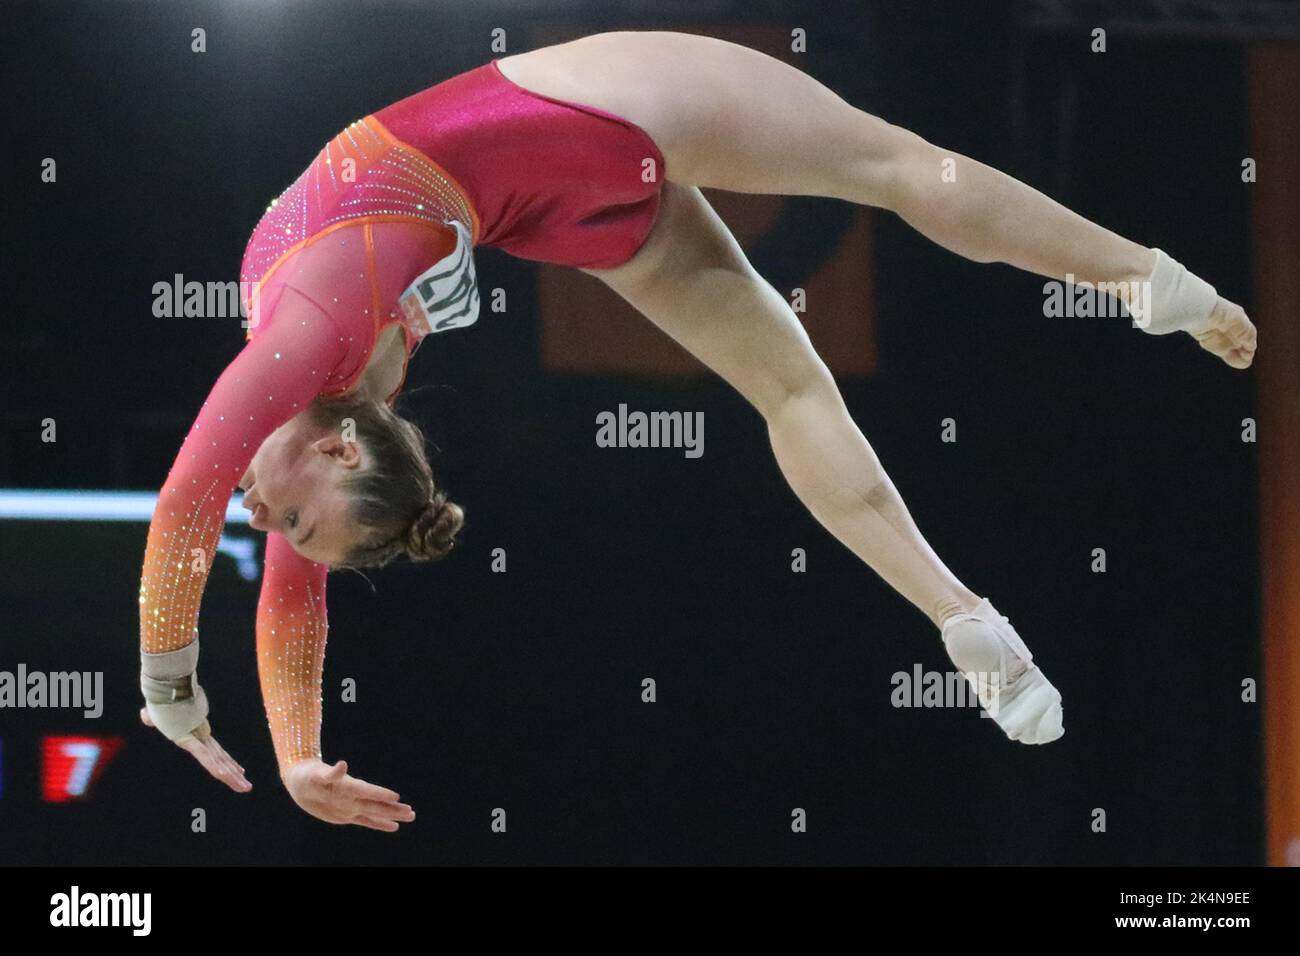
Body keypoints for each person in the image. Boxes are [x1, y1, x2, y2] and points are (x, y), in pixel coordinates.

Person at [137, 30, 1257, 832]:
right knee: (804, 358)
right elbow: (291, 587)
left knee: (892, 176)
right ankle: (965, 619)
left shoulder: (306, 339)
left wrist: (172, 694)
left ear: (338, 447)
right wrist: (293, 755)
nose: (259, 514)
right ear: (348, 444)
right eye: (285, 518)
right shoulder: (314, 408)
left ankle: (1142, 278)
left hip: (577, 109)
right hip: (552, 195)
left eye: (283, 515)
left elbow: (185, 501)